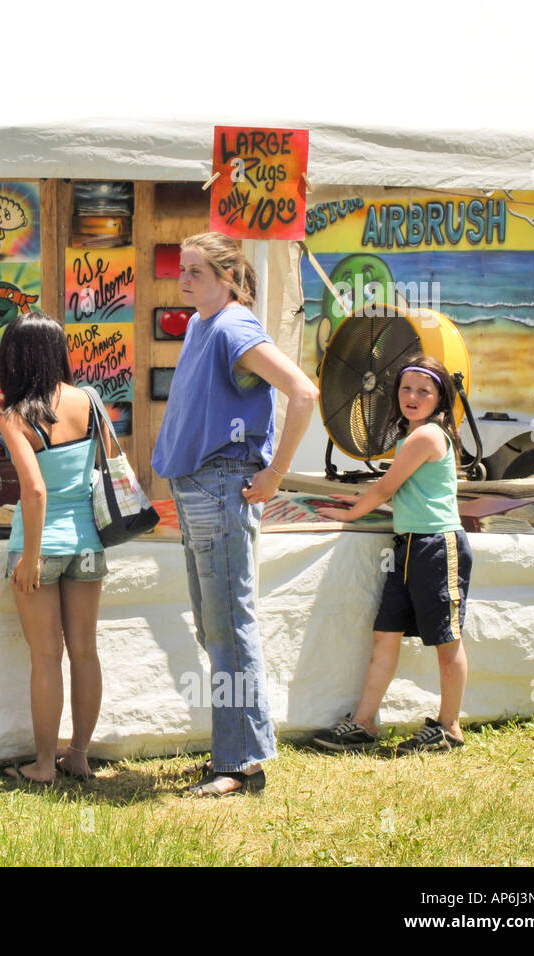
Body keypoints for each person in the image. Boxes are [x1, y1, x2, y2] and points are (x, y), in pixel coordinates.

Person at [151, 231, 318, 797]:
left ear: (226, 277)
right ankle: (237, 751)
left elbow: (302, 392)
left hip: (223, 488)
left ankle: (243, 762)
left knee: (228, 626)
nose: (184, 279)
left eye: (196, 270)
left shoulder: (233, 326)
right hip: (201, 489)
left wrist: (274, 474)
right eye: (183, 269)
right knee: (216, 625)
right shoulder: (204, 324)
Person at [313, 354, 471, 754]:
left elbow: (385, 489)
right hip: (408, 547)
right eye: (406, 388)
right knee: (386, 634)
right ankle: (363, 724)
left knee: (446, 640)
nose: (412, 397)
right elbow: (402, 495)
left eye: (424, 390)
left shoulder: (426, 437)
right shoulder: (411, 438)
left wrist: (349, 513)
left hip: (437, 547)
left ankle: (449, 728)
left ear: (440, 398)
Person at [0, 311, 106, 784]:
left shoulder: (17, 416)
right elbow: (109, 466)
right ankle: (78, 755)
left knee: (46, 657)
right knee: (85, 651)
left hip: (40, 546)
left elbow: (35, 491)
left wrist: (31, 556)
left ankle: (43, 765)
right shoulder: (91, 402)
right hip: (88, 543)